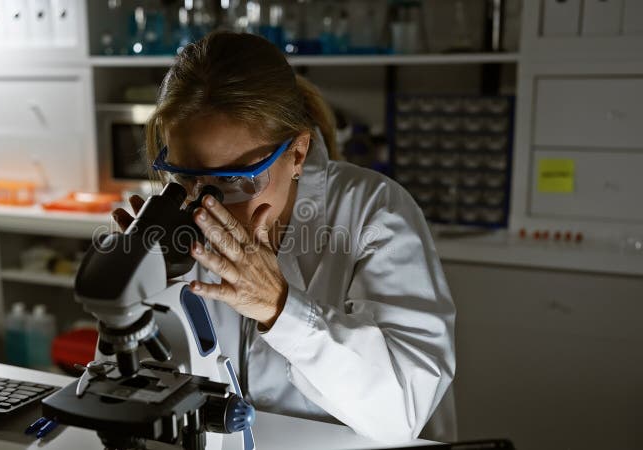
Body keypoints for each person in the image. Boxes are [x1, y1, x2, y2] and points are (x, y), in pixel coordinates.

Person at [111, 31, 456, 444]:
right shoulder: (176, 217)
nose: (205, 205)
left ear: (297, 153)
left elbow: (404, 410)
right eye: (185, 176)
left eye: (238, 179)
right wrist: (137, 295)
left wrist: (281, 309)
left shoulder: (374, 210)